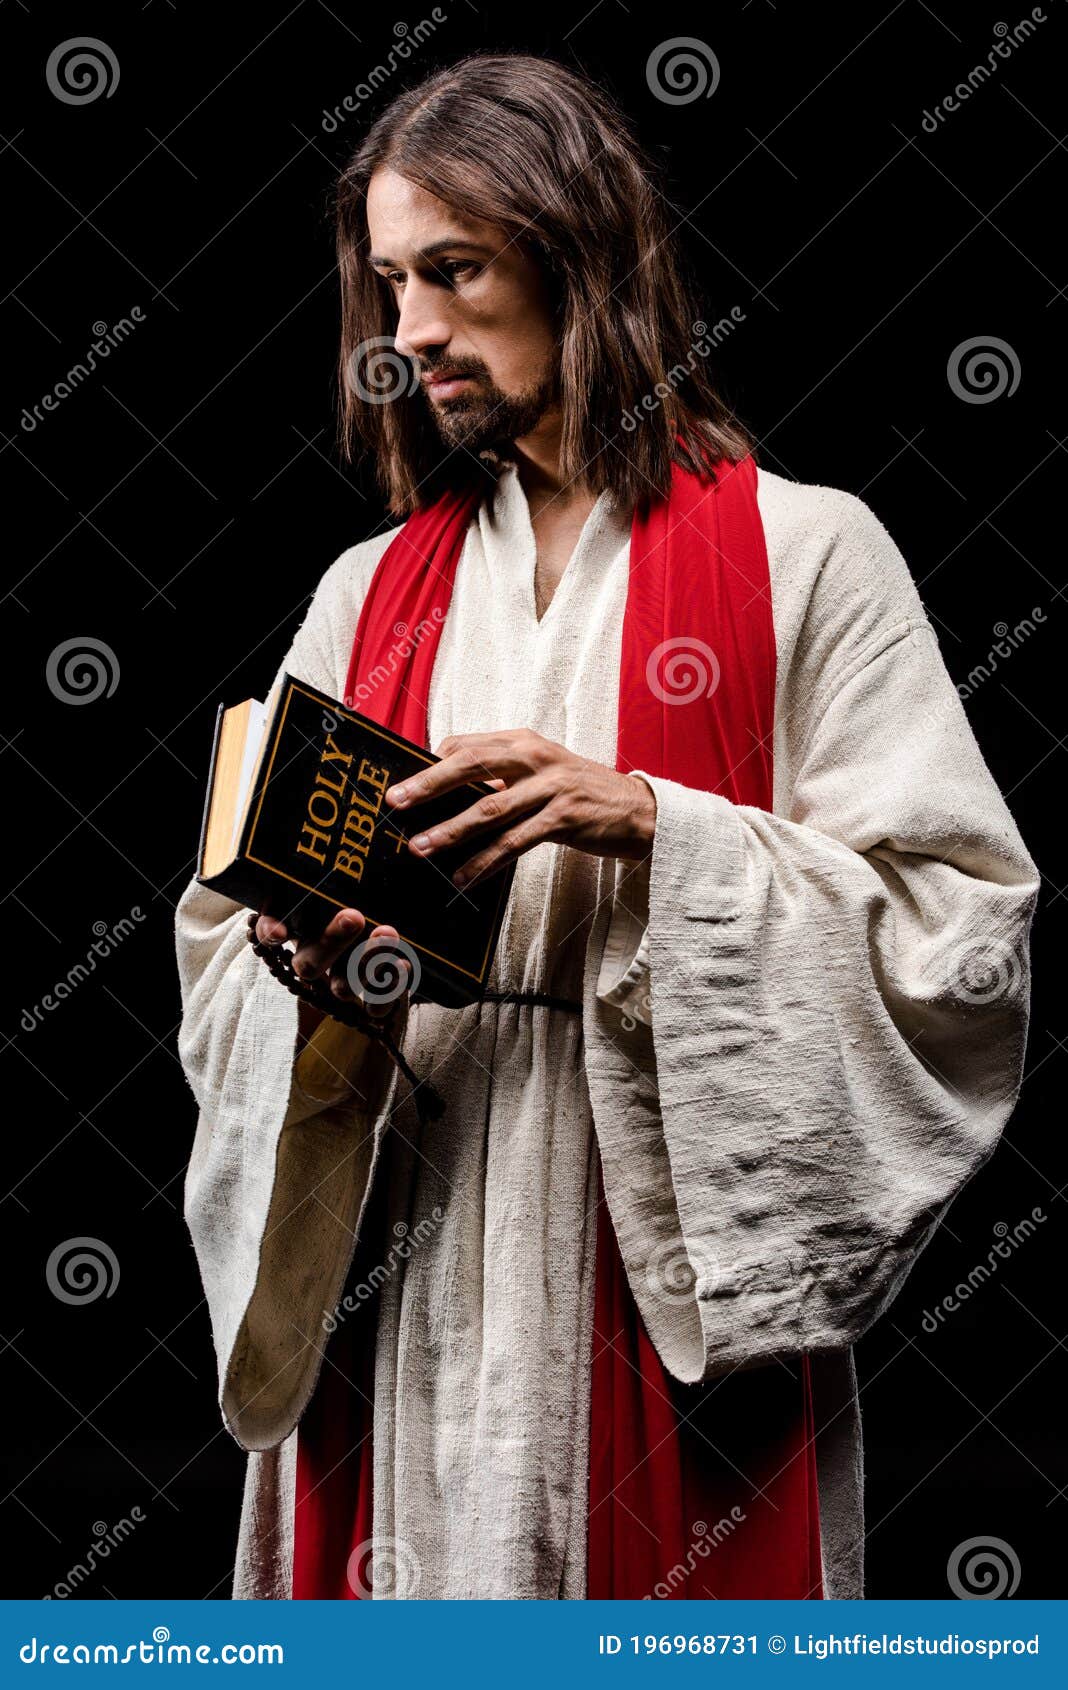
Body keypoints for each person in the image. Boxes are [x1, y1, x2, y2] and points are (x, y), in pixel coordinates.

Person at [174, 54, 1038, 1602]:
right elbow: (215, 956)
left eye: (454, 271)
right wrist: (317, 970)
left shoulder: (806, 555)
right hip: (408, 1250)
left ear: (579, 259)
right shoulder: (364, 596)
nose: (410, 332)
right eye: (387, 284)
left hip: (654, 1254)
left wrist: (656, 827)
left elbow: (958, 928)